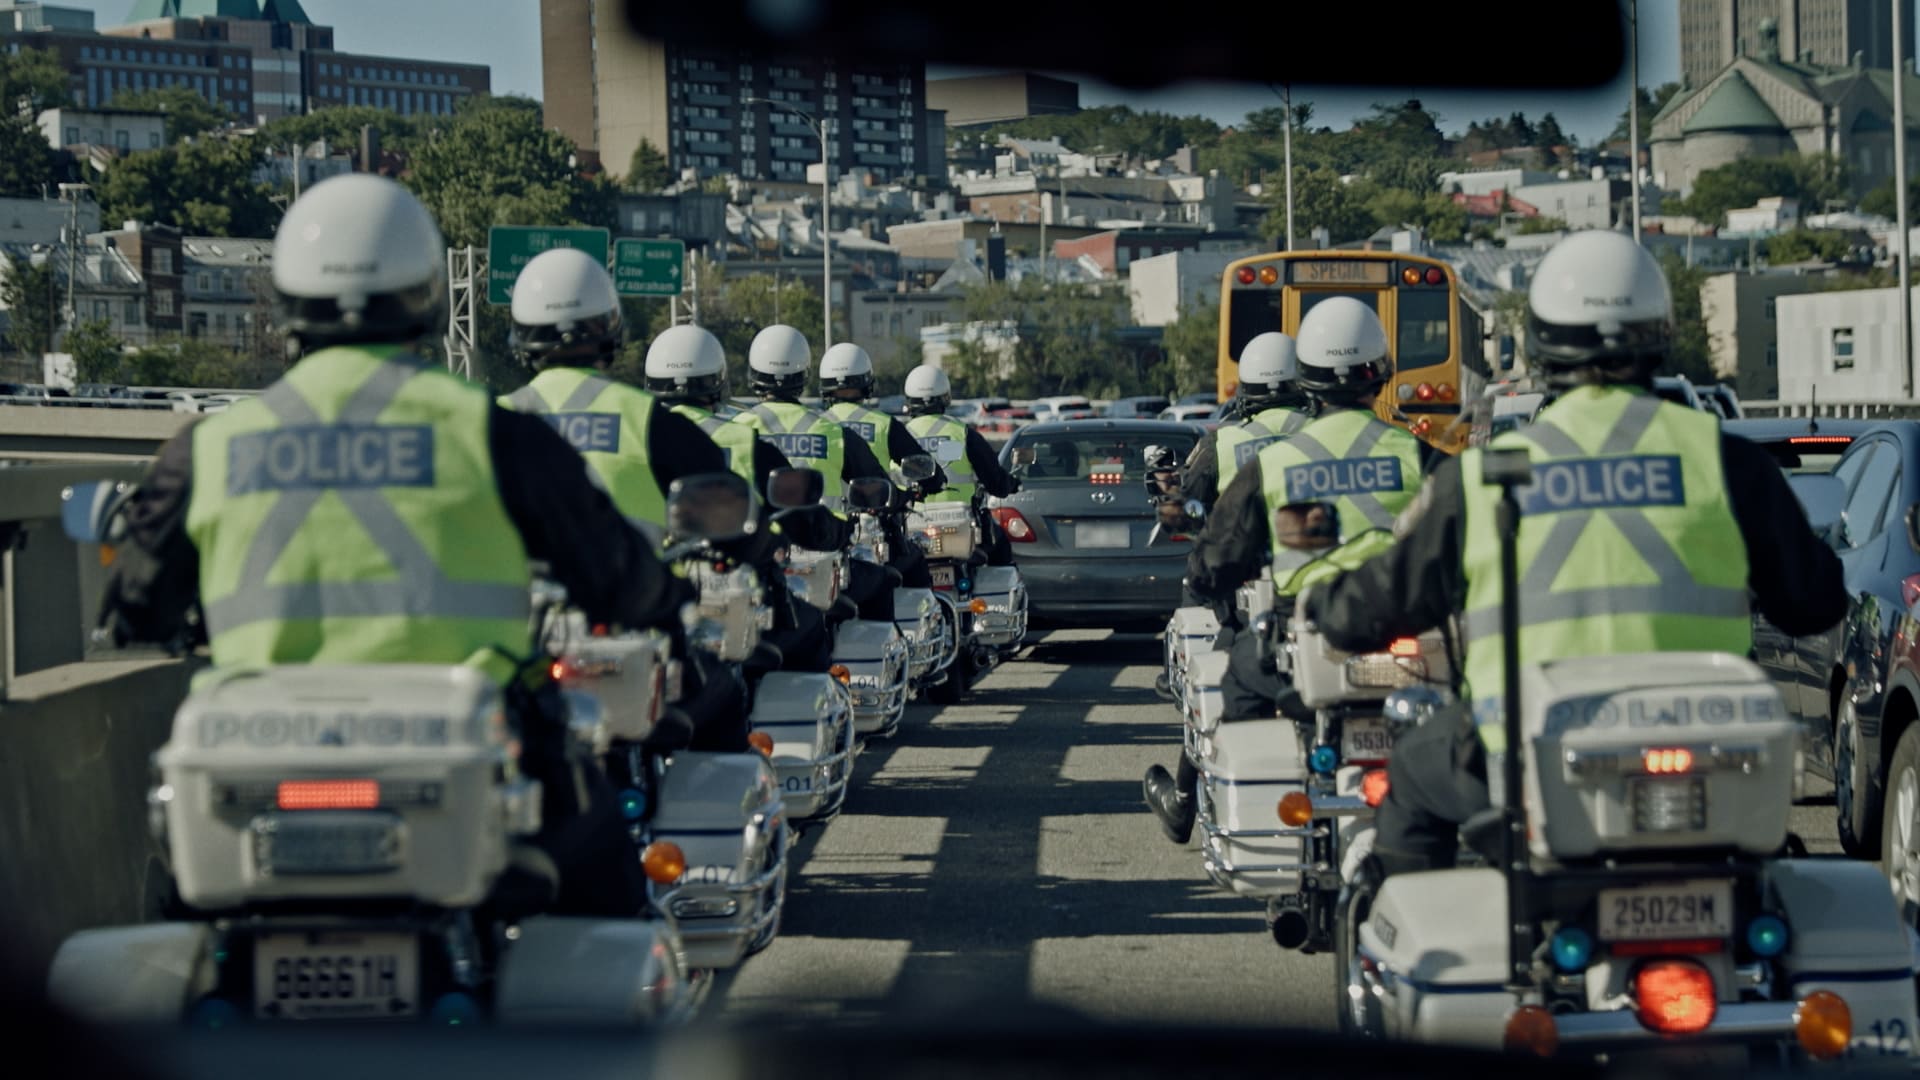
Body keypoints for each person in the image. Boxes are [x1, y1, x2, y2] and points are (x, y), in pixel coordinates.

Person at [95, 174, 694, 918]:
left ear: (286, 304)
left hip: (258, 760)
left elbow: (136, 610)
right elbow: (616, 577)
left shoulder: (210, 448)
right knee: (613, 901)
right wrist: (669, 597)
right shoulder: (491, 433)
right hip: (462, 750)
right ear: (429, 296)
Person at [1292, 229, 1846, 880]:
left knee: (1413, 773)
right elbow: (1815, 604)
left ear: (1542, 343)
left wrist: (1328, 603)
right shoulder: (1725, 462)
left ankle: (1419, 974)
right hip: (1712, 759)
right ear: (1659, 334)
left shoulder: (1488, 474)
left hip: (1530, 760)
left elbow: (1377, 605)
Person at [1142, 297, 1429, 845]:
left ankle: (1254, 822)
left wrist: (1211, 575)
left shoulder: (1271, 462)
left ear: (1309, 379)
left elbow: (1214, 564)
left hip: (1305, 638)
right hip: (1405, 642)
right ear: (1383, 373)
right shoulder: (1417, 453)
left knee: (1239, 689)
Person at [644, 322, 841, 672]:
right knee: (809, 628)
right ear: (717, 381)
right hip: (734, 593)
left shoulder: (637, 437)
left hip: (649, 593)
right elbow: (802, 517)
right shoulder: (742, 439)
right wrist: (832, 532)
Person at [498, 247, 726, 537]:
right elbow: (725, 501)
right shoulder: (646, 419)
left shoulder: (492, 419)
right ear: (610, 326)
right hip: (636, 579)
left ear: (521, 335)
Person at [1148, 331, 1309, 699]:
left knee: (1198, 586)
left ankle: (1180, 679)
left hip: (1245, 575)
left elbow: (1184, 505)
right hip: (1324, 575)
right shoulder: (1325, 434)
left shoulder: (1223, 442)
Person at [730, 324, 891, 511]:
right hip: (819, 536)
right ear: (804, 374)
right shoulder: (835, 434)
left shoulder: (733, 431)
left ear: (753, 375)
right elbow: (877, 487)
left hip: (756, 537)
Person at [901, 364, 1022, 566]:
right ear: (945, 396)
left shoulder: (900, 436)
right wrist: (1012, 484)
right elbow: (995, 480)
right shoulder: (962, 433)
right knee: (1001, 547)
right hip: (961, 527)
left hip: (913, 528)